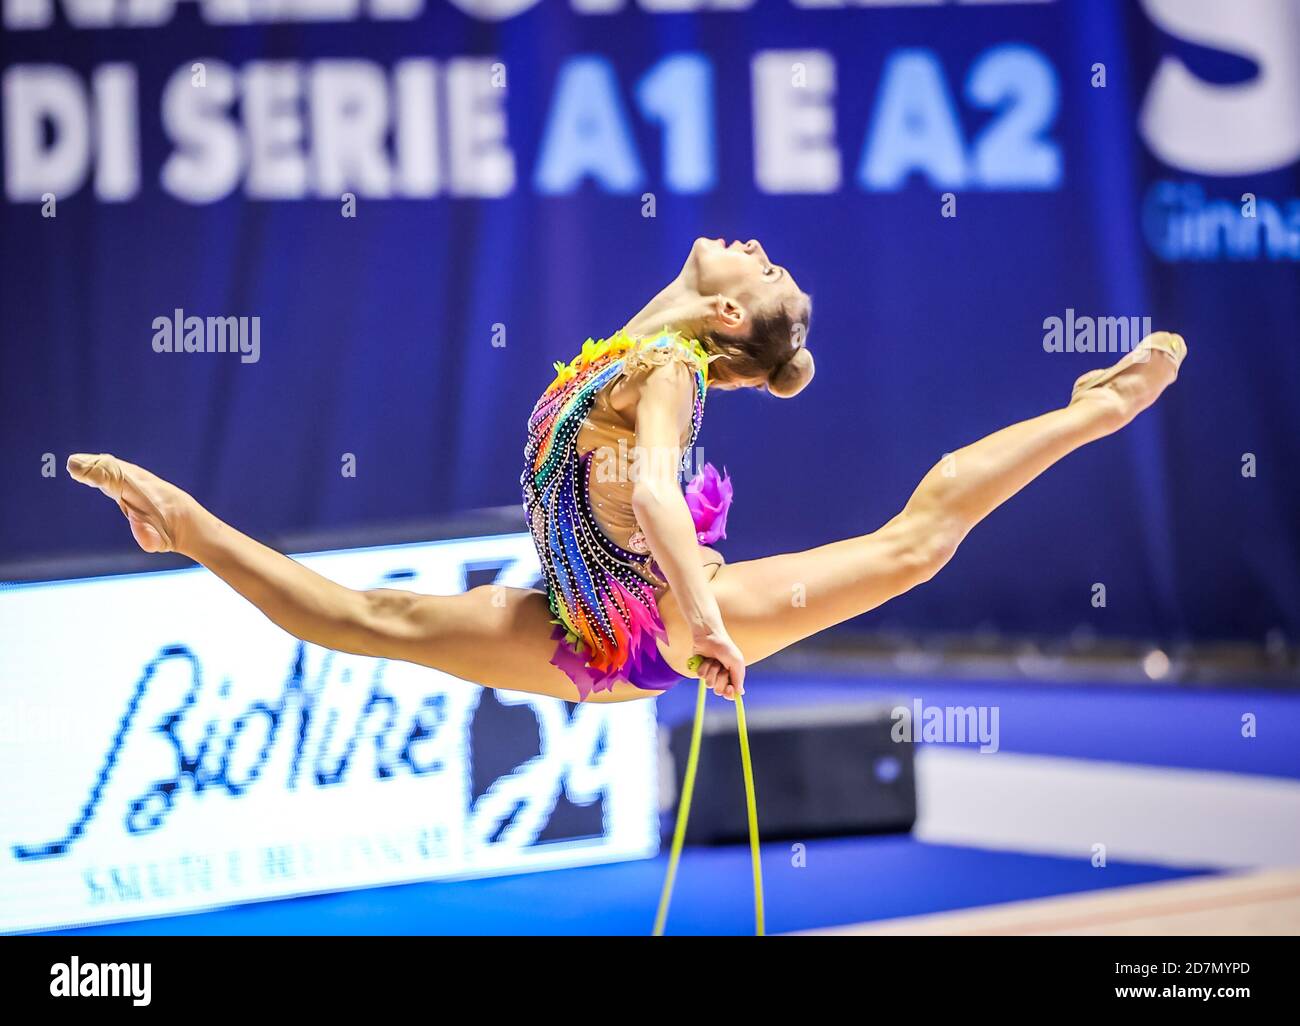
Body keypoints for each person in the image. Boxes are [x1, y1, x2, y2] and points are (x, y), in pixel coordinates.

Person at [67, 237, 1186, 705]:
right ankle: (184, 522)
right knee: (369, 620)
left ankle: (1094, 411)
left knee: (915, 544)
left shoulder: (670, 375)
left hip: (655, 624)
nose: (755, 247)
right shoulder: (632, 353)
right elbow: (641, 474)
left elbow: (654, 494)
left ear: (729, 311)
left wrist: (705, 620)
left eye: (766, 269)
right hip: (580, 620)